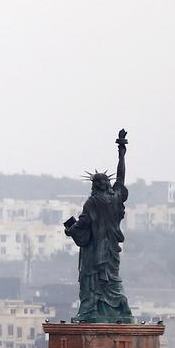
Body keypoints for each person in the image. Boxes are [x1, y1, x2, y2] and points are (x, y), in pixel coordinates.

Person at [64, 129, 133, 323]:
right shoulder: (116, 197)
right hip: (110, 246)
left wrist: (71, 230)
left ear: (94, 185)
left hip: (95, 248)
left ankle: (90, 309)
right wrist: (121, 152)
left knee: (92, 279)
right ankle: (121, 304)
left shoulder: (92, 202)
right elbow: (121, 177)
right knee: (111, 278)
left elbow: (83, 222)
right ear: (108, 184)